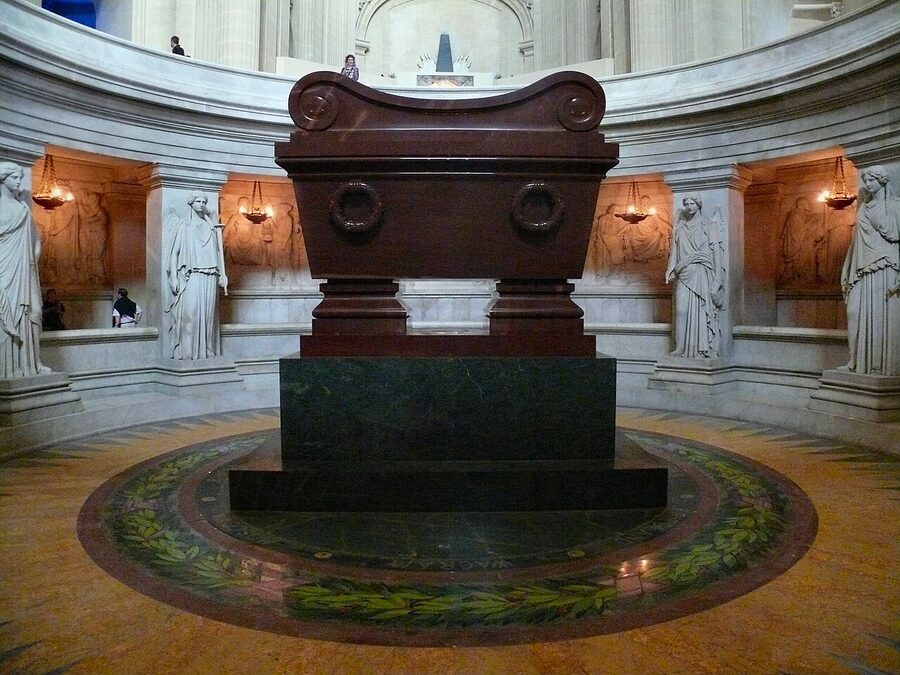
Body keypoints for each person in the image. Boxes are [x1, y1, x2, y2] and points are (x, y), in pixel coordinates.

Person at [840, 165, 900, 375]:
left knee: (881, 317)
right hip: (862, 266)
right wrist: (848, 267)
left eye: (871, 180)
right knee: (853, 311)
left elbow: (896, 235)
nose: (867, 183)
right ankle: (856, 361)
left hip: (886, 265)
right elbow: (855, 241)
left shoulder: (894, 206)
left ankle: (878, 367)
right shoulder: (863, 208)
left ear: (882, 180)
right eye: (865, 180)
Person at [0, 161, 48, 378]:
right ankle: (9, 369)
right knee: (7, 314)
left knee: (34, 312)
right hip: (5, 269)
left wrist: (32, 260)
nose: (19, 180)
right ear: (3, 179)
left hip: (25, 269)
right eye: (15, 177)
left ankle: (32, 364)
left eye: (20, 176)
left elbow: (36, 240)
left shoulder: (23, 208)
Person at [165, 193, 228, 359]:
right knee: (190, 313)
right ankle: (187, 352)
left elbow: (217, 252)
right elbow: (175, 253)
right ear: (191, 204)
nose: (201, 204)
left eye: (203, 202)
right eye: (198, 201)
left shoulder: (210, 226)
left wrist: (223, 273)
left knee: (208, 317)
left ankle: (206, 350)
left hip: (210, 274)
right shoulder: (185, 225)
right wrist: (173, 277)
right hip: (192, 274)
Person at [665, 195, 726, 359]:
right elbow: (675, 250)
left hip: (701, 271)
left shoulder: (709, 225)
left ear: (698, 205)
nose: (689, 206)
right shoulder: (681, 226)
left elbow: (716, 252)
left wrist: (718, 279)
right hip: (683, 273)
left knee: (700, 311)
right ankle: (680, 347)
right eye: (686, 204)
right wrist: (670, 269)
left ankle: (701, 349)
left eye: (692, 203)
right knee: (680, 310)